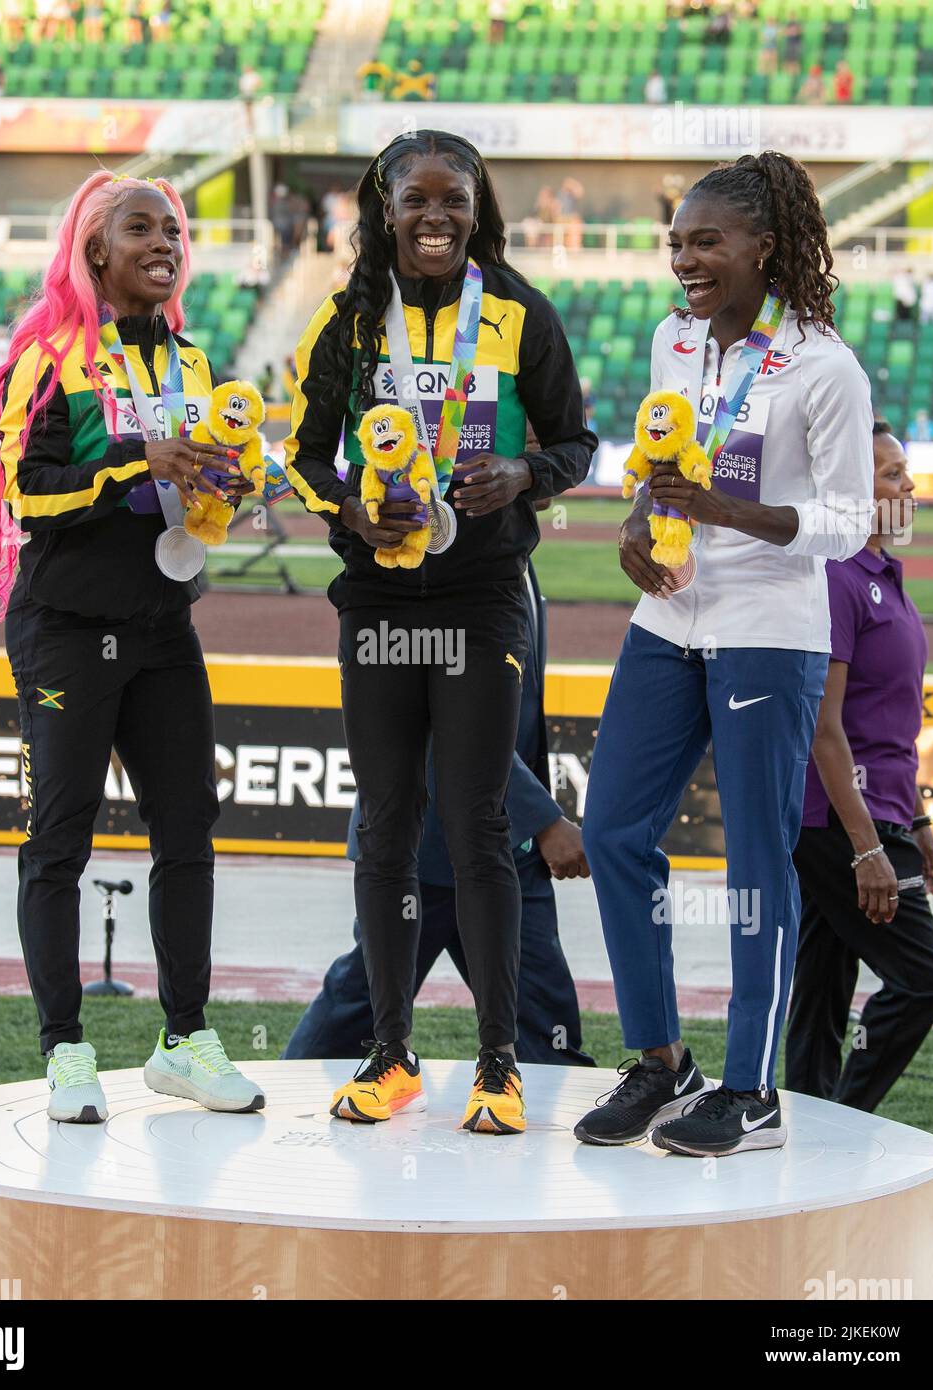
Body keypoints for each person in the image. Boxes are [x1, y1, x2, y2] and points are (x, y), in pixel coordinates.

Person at [282, 129, 595, 1133]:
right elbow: (300, 456)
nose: (436, 218)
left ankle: (498, 1065)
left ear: (477, 206)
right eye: (416, 200)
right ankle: (390, 1054)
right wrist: (349, 514)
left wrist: (522, 474)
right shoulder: (351, 321)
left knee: (476, 824)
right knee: (383, 827)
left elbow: (581, 441)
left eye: (454, 200)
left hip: (481, 595)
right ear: (386, 210)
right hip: (379, 596)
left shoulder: (514, 311)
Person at [0, 172, 263, 1124]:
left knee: (188, 832)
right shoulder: (48, 355)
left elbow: (194, 496)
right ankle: (66, 1050)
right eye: (141, 229)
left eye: (172, 229)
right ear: (96, 251)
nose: (165, 241)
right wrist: (134, 463)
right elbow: (24, 490)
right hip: (68, 631)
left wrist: (224, 487)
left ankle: (184, 1039)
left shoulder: (194, 362)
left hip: (164, 627)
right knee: (60, 840)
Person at [578, 150, 875, 1157]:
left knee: (753, 863)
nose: (686, 262)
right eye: (677, 244)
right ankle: (664, 1061)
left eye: (706, 242)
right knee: (614, 828)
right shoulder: (675, 339)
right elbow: (659, 458)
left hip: (767, 631)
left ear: (765, 246)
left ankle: (752, 1090)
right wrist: (634, 519)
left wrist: (727, 511)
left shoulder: (824, 365)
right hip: (670, 618)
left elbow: (848, 519)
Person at [285, 549, 597, 1068]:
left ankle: (534, 1128)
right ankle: (285, 1101)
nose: (545, 473)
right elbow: (432, 719)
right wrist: (543, 821)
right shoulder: (437, 559)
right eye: (530, 463)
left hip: (504, 846)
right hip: (425, 847)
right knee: (356, 1011)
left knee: (547, 1036)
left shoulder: (516, 554)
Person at [786, 422, 933, 1111]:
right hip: (837, 819)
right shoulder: (836, 578)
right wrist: (864, 849)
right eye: (889, 474)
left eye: (904, 472)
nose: (907, 486)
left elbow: (885, 727)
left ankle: (801, 1116)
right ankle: (846, 1117)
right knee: (921, 978)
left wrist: (915, 820)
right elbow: (823, 728)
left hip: (878, 812)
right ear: (849, 487)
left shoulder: (884, 574)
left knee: (823, 982)